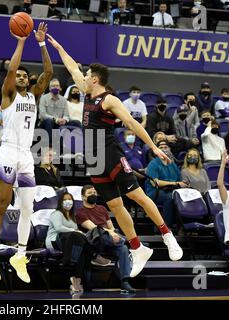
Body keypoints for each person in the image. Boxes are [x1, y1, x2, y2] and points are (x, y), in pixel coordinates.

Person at [47, 34, 183, 278]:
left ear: (95, 79)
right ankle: (137, 247)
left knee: (137, 196)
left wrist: (153, 146)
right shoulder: (86, 93)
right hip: (94, 160)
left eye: (87, 75)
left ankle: (167, 235)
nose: (84, 77)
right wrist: (56, 45)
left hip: (111, 154)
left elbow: (131, 122)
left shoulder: (108, 99)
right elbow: (70, 65)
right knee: (115, 206)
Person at [0, 22, 53, 283]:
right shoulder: (8, 95)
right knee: (2, 205)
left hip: (25, 155)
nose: (21, 76)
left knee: (27, 208)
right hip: (8, 152)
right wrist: (22, 41)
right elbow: (11, 68)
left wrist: (42, 43)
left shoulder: (34, 96)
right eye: (19, 75)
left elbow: (48, 71)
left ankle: (20, 255)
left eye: (25, 75)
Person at [76, 185, 135, 293]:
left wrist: (112, 233)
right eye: (89, 193)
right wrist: (111, 234)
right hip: (94, 242)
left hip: (110, 242)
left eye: (94, 193)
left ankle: (125, 282)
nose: (93, 195)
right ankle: (127, 241)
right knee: (101, 233)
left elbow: (111, 226)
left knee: (123, 249)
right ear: (83, 197)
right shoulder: (80, 212)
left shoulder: (102, 209)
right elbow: (93, 227)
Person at [45, 191, 93, 294]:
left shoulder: (72, 217)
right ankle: (94, 255)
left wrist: (76, 232)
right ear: (60, 202)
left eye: (70, 199)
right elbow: (59, 228)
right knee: (76, 235)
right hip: (54, 241)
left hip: (68, 242)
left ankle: (76, 280)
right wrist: (74, 231)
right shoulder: (56, 213)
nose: (68, 201)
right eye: (65, 199)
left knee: (80, 247)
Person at [145, 140, 188, 228]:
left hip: (172, 189)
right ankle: (166, 227)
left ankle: (183, 227)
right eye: (161, 148)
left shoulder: (173, 165)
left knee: (184, 196)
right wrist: (174, 183)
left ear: (170, 149)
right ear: (156, 150)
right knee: (169, 197)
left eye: (166, 147)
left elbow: (179, 181)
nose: (164, 149)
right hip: (155, 191)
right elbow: (155, 183)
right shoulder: (153, 164)